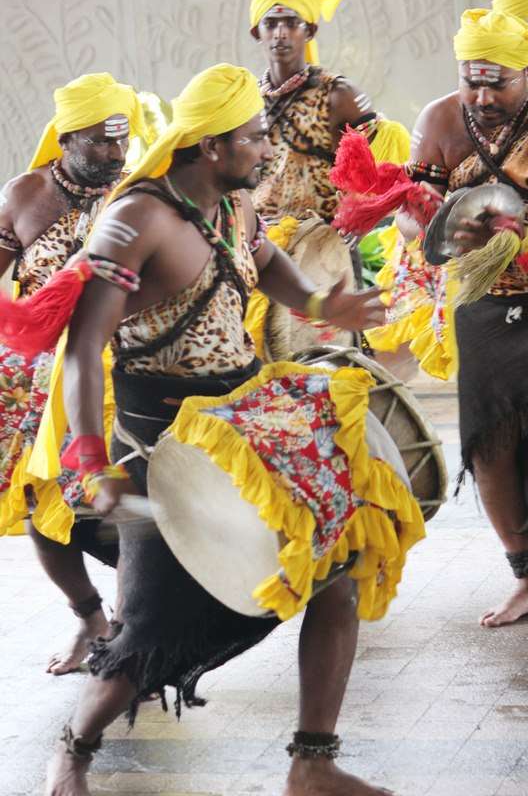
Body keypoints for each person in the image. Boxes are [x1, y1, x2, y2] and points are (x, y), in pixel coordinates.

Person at [41, 63, 425, 796]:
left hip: (242, 427)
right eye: (253, 138)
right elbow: (85, 346)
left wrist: (323, 304)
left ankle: (311, 764)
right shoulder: (135, 220)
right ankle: (73, 750)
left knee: (334, 574)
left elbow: (265, 260)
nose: (266, 150)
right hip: (161, 445)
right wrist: (90, 453)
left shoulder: (235, 206)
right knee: (146, 637)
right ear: (210, 146)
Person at [381, 8, 528, 627]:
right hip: (483, 303)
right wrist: (442, 223)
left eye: (498, 81)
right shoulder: (441, 119)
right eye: (473, 80)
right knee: (491, 440)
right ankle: (524, 574)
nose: (483, 95)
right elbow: (409, 211)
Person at [0, 72, 145, 674]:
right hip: (35, 377)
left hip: (123, 359)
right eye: (101, 143)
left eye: (123, 141)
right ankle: (90, 617)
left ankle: (135, 623)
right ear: (65, 138)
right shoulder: (24, 196)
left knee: (126, 495)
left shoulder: (140, 195)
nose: (116, 155)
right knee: (42, 505)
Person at [245, 0, 411, 358]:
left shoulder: (338, 94)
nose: (281, 33)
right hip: (258, 243)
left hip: (320, 243)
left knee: (324, 361)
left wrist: (356, 221)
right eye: (272, 24)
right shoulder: (248, 101)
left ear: (310, 30)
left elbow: (380, 169)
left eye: (291, 23)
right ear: (257, 32)